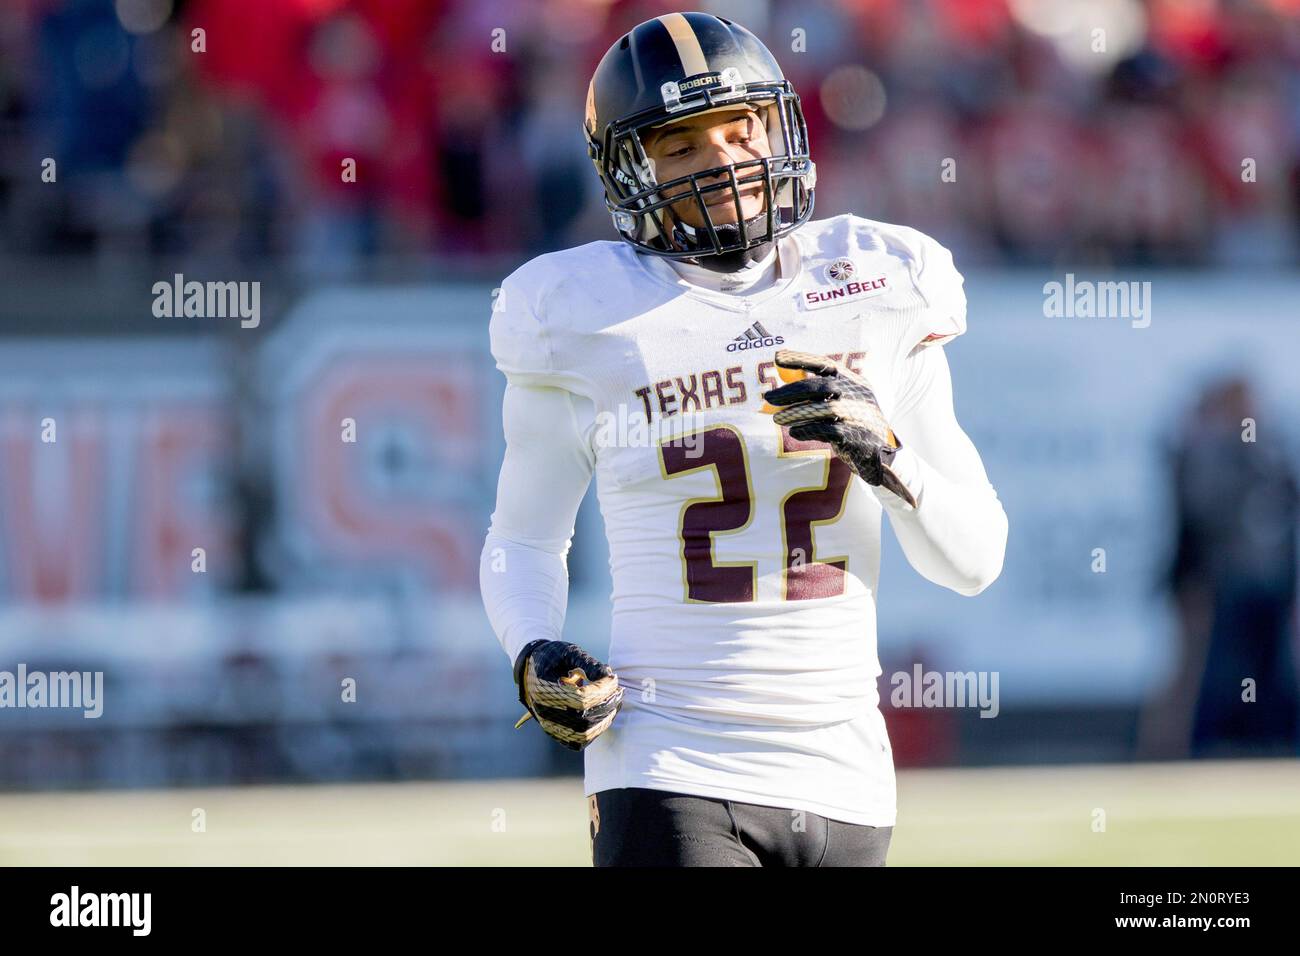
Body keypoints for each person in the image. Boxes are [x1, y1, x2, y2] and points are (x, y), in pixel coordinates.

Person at [480, 12, 1007, 866]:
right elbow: (523, 537)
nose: (724, 159)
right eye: (683, 145)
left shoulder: (878, 283)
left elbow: (975, 560)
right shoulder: (581, 316)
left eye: (740, 128)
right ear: (631, 167)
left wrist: (889, 460)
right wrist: (530, 648)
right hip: (668, 755)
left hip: (846, 768)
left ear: (779, 128)